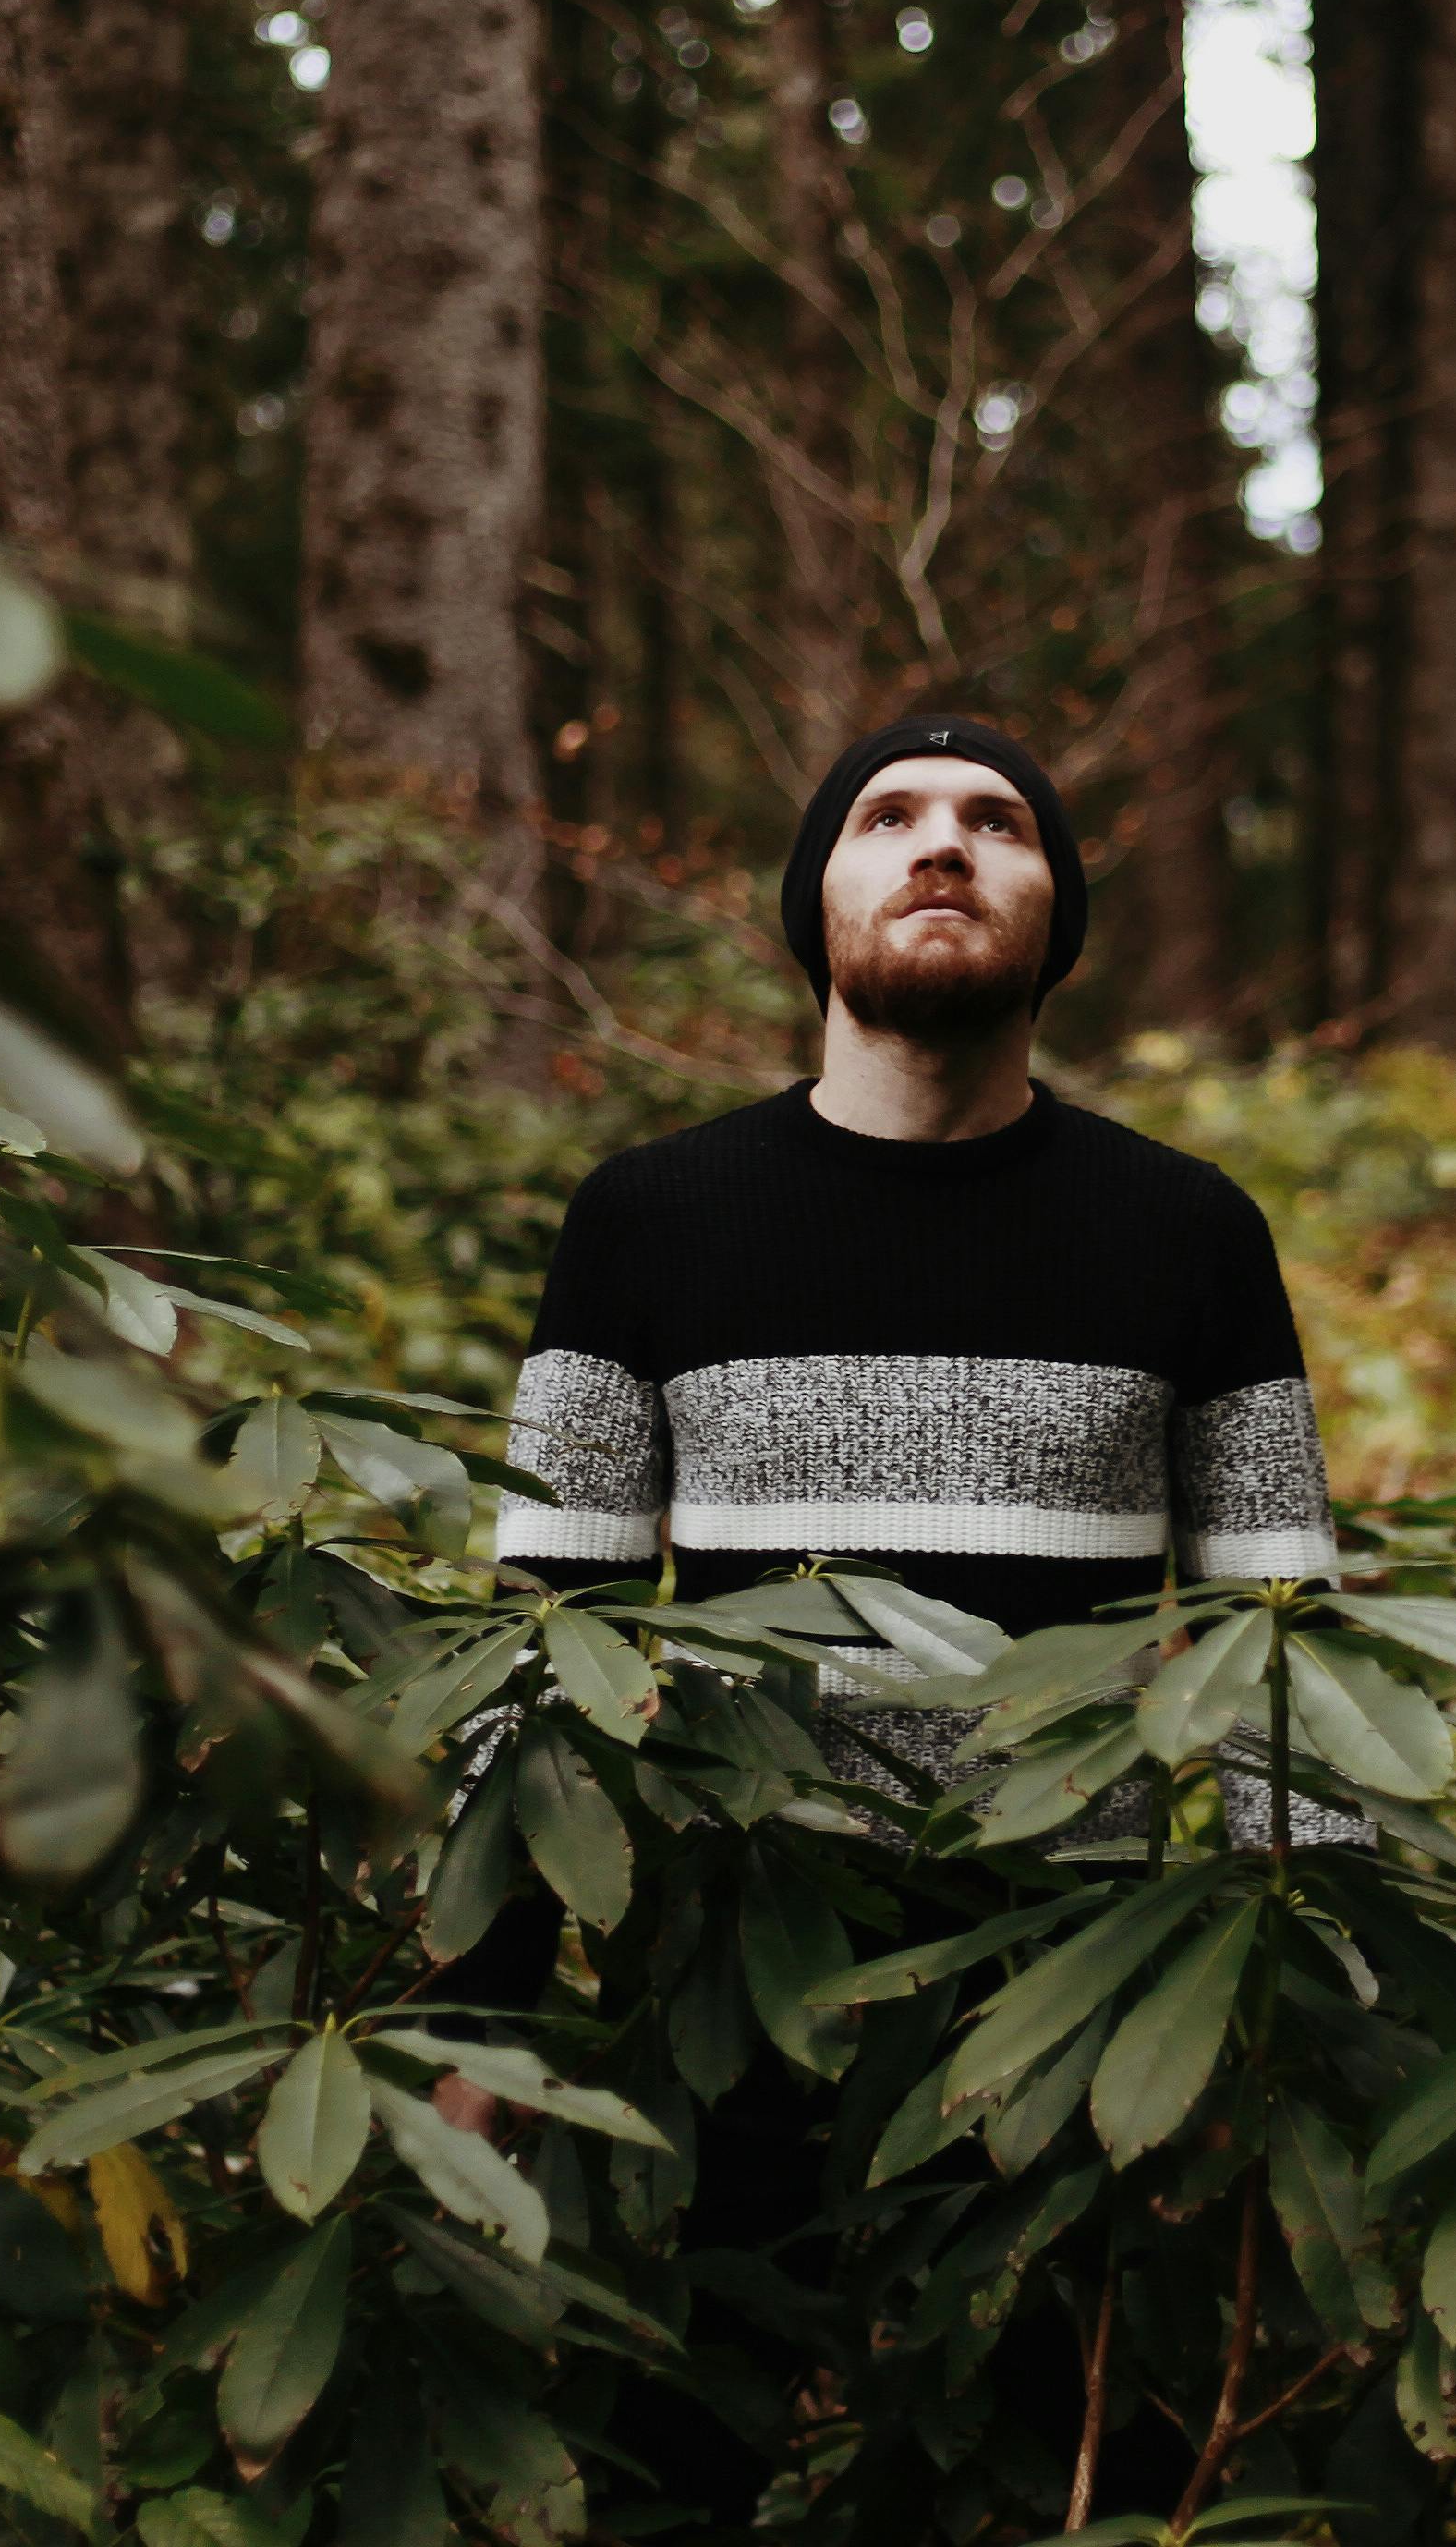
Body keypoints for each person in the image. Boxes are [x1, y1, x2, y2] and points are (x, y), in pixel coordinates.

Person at [455, 713, 1351, 2529]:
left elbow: (1291, 1660)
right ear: (819, 900)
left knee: (1075, 2494)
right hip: (720, 2007)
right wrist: (476, 2027)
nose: (943, 846)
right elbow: (545, 1636)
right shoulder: (640, 1222)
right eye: (890, 817)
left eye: (996, 822)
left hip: (1080, 2028)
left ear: (1058, 910)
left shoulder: (1193, 1235)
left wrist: (1313, 2035)